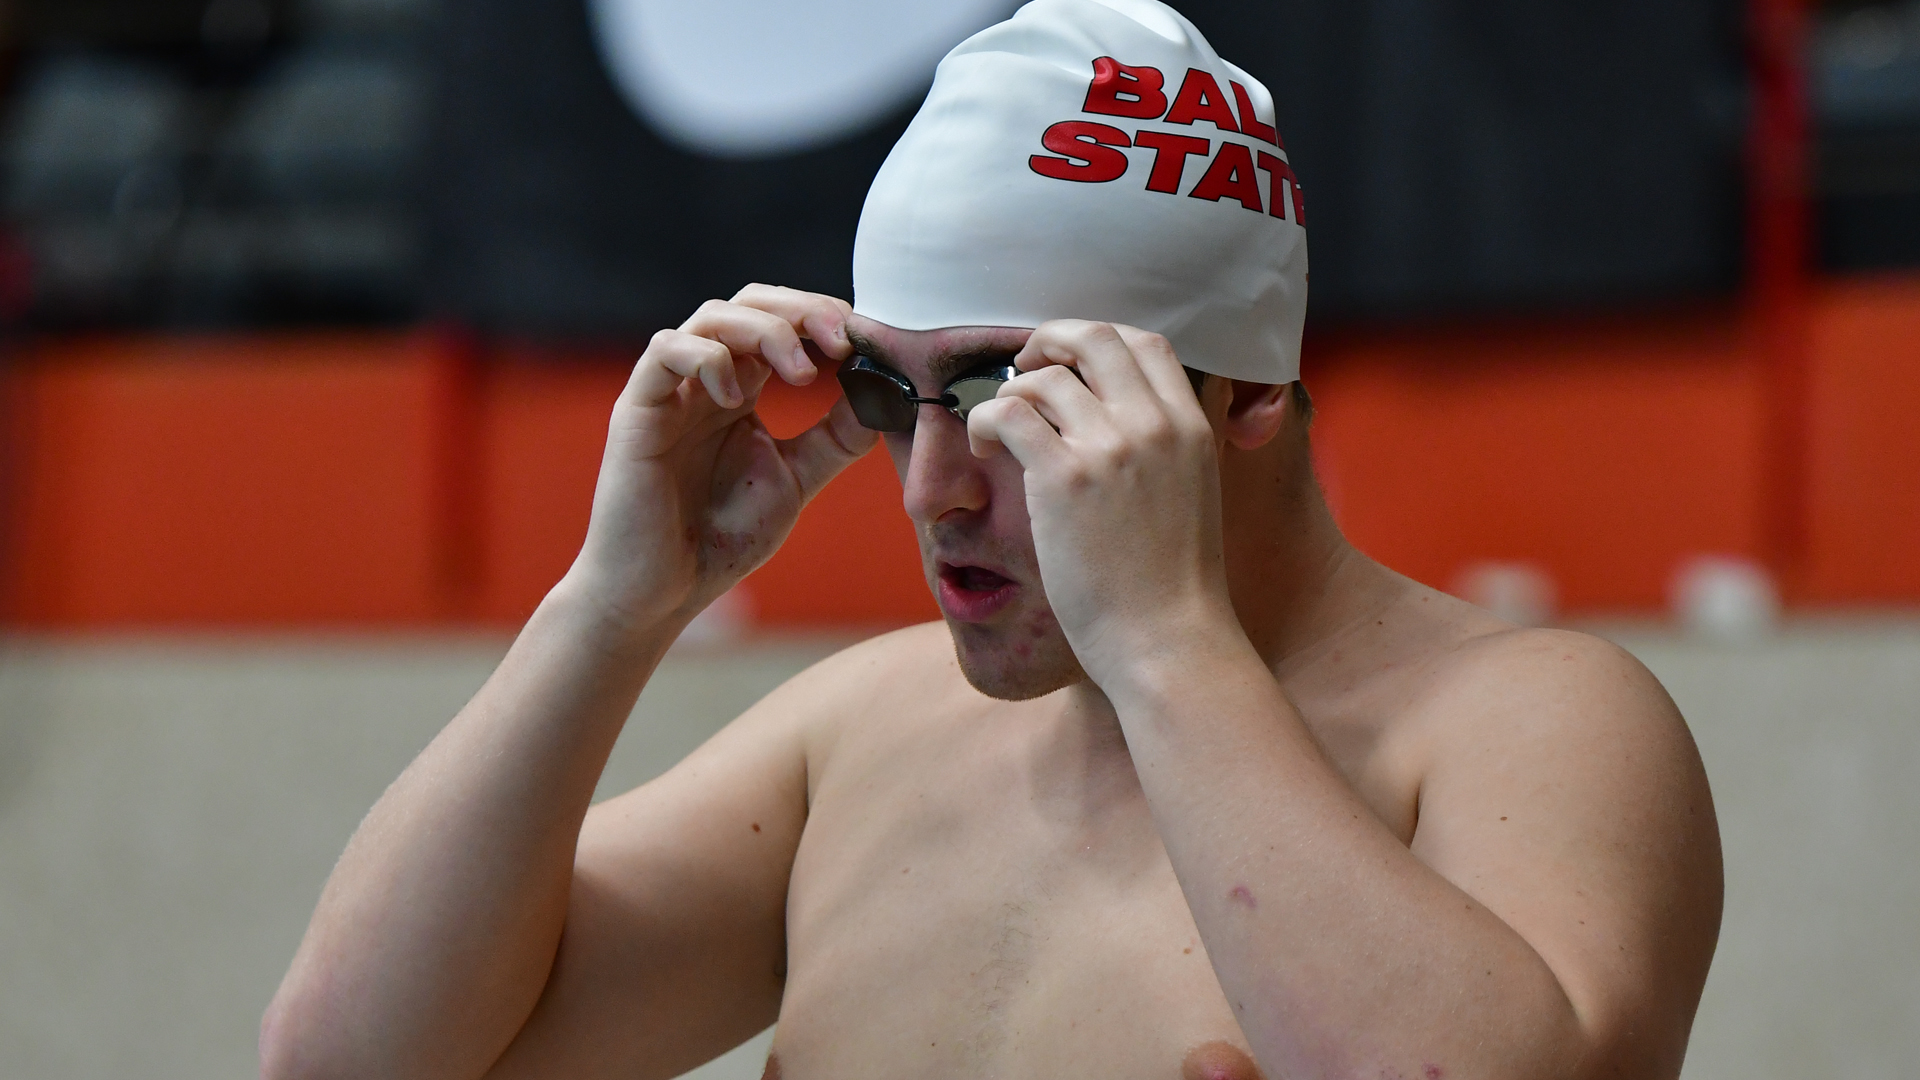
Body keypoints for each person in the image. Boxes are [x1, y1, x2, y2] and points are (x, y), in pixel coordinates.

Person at [260, 1, 1722, 1078]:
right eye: (894, 393)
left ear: (1252, 394)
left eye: (1018, 395)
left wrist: (1165, 648)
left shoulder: (1525, 726)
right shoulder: (859, 741)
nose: (935, 486)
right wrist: (609, 608)